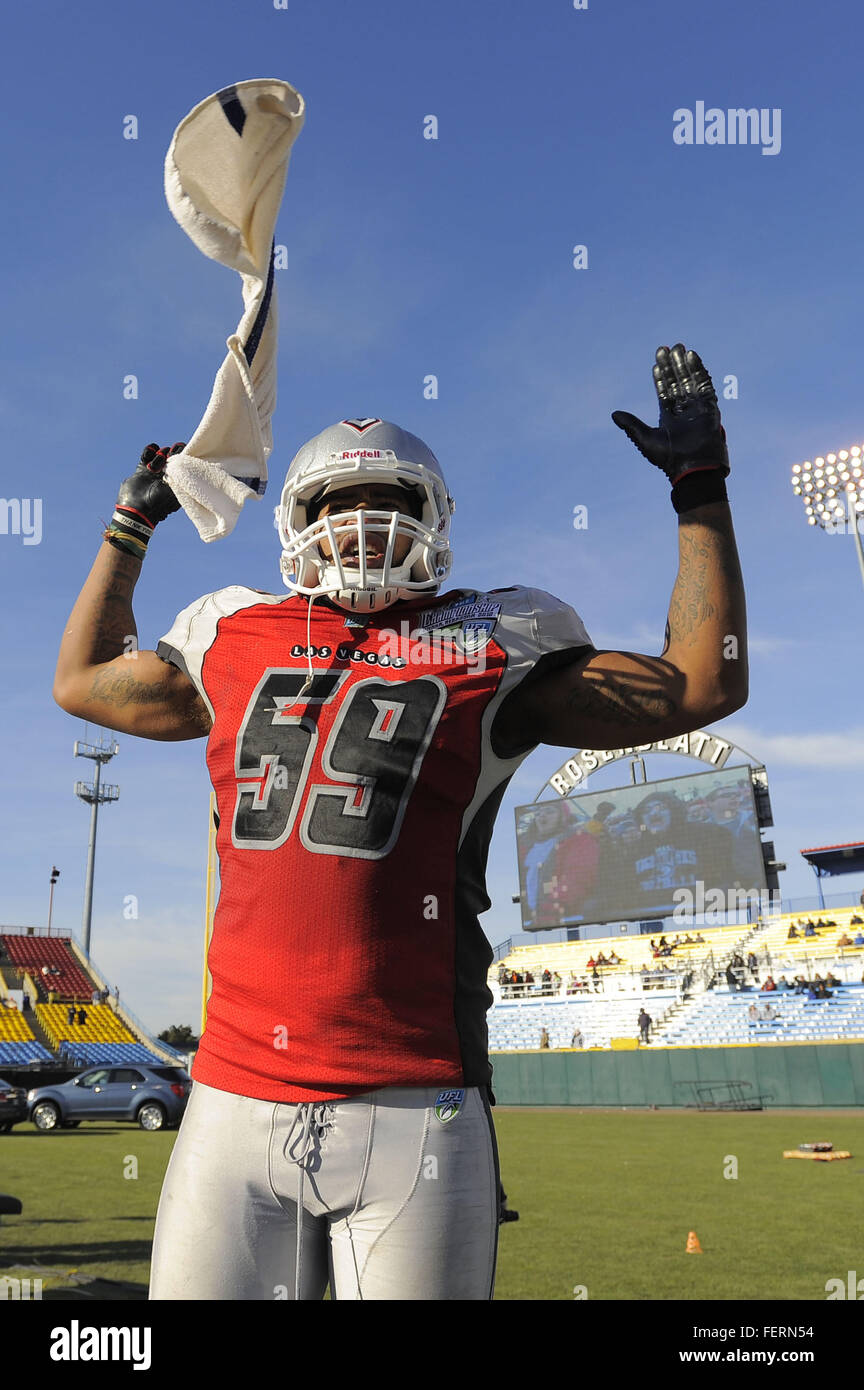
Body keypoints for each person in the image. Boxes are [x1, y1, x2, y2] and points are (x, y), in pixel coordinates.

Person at [53, 348, 746, 1302]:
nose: (362, 522)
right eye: (337, 503)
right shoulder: (231, 632)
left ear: (435, 519)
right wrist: (128, 524)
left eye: (390, 498)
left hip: (417, 1100)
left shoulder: (494, 638)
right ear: (297, 524)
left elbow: (705, 681)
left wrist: (699, 490)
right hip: (230, 1096)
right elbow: (82, 682)